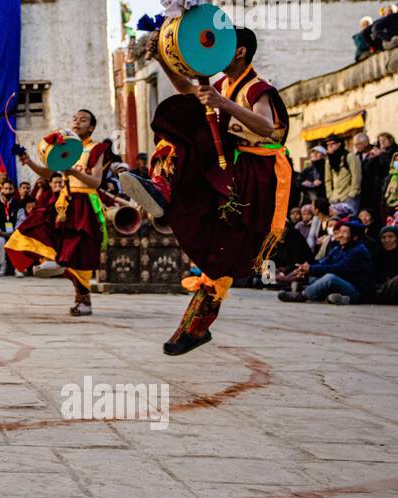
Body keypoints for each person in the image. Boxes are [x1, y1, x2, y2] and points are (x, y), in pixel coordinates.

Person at [120, 22, 292, 354]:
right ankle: (164, 194)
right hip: (231, 166)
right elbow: (189, 91)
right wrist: (161, 59)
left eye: (226, 47)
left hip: (255, 171)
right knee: (180, 124)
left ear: (239, 51)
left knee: (224, 252)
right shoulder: (224, 83)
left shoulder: (258, 88)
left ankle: (195, 327)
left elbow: (268, 127)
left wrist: (221, 103)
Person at [6, 110, 108, 316]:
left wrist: (75, 172)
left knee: (79, 250)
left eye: (84, 120)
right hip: (63, 201)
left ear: (91, 127)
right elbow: (50, 172)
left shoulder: (96, 149)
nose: (78, 121)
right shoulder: (66, 146)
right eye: (75, 118)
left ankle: (83, 299)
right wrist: (29, 162)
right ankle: (52, 261)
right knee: (37, 226)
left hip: (84, 202)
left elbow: (96, 182)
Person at [278, 220, 374, 305]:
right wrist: (306, 269)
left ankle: (302, 295)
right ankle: (333, 297)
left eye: (344, 232)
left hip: (355, 289)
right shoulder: (338, 248)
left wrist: (311, 269)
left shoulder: (359, 251)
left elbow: (339, 268)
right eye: (340, 231)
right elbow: (323, 263)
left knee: (330, 278)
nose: (340, 235)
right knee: (314, 275)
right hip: (341, 284)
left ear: (355, 237)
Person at [323, 134, 361, 213]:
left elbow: (356, 176)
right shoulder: (329, 160)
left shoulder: (350, 156)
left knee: (349, 221)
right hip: (335, 198)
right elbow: (328, 180)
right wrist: (330, 195)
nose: (329, 146)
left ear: (339, 144)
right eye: (327, 145)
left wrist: (352, 194)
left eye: (332, 143)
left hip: (348, 197)